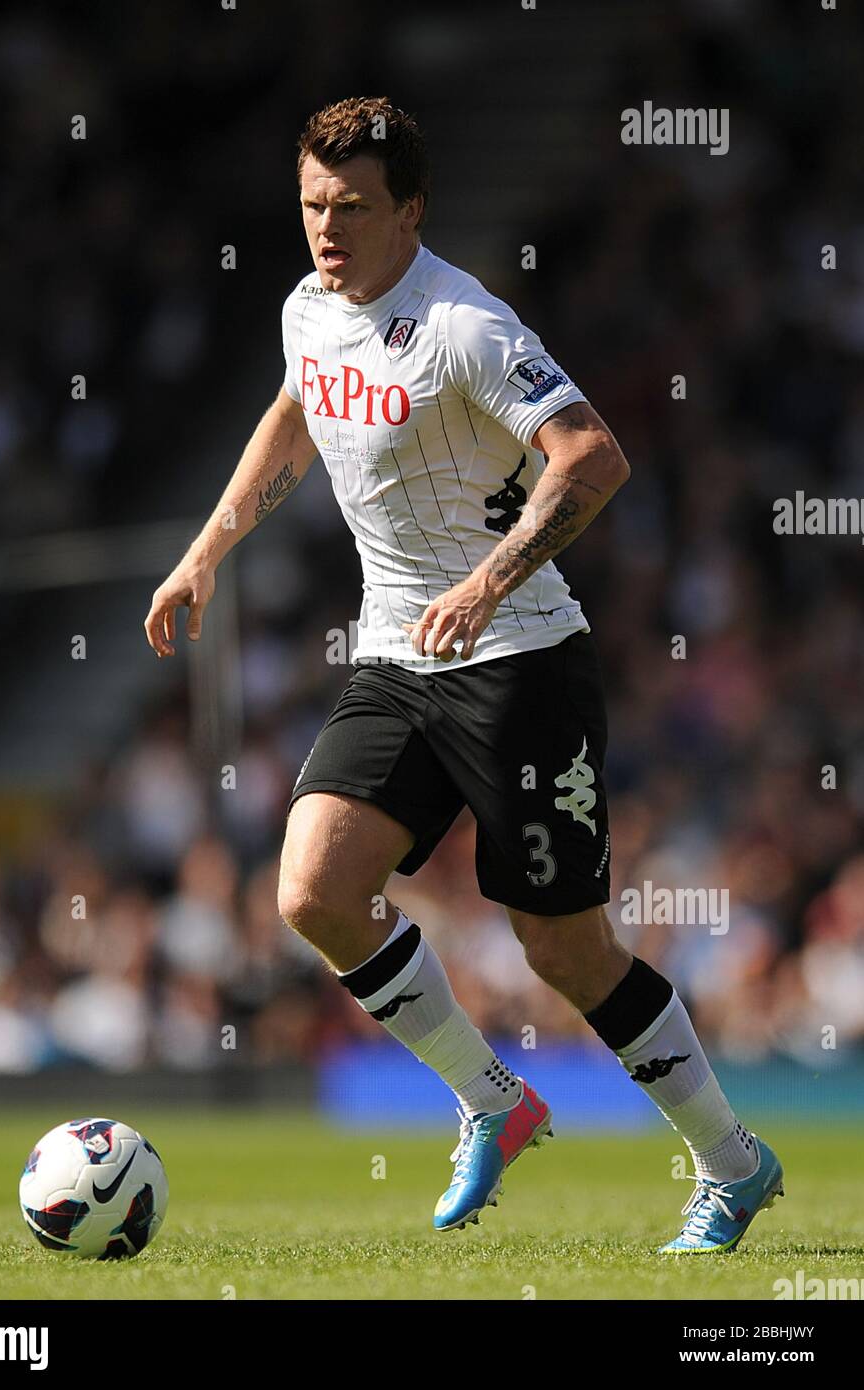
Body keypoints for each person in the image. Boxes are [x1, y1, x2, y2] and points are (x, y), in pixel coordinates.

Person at [145, 96, 783, 1251]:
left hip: (520, 660)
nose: (325, 231)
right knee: (312, 895)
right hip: (395, 653)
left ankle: (732, 1165)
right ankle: (493, 1102)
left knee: (564, 950)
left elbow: (595, 455)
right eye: (309, 206)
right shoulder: (307, 307)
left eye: (351, 208)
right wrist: (204, 555)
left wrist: (488, 580)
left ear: (411, 214)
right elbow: (295, 408)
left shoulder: (463, 324)